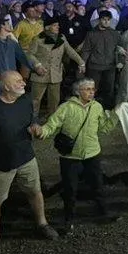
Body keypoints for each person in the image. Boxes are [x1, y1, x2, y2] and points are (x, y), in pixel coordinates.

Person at [0, 71, 60, 254]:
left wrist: (35, 127)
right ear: (6, 86)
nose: (23, 83)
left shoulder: (25, 101)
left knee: (35, 192)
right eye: (17, 81)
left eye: (22, 80)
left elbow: (31, 120)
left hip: (26, 158)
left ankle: (42, 223)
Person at [33, 78, 121, 230]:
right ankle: (69, 218)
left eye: (93, 89)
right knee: (70, 189)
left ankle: (103, 213)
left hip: (92, 154)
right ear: (77, 91)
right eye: (87, 89)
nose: (91, 92)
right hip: (70, 157)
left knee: (97, 185)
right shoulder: (66, 108)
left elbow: (104, 129)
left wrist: (115, 115)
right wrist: (41, 132)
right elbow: (52, 125)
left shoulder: (97, 107)